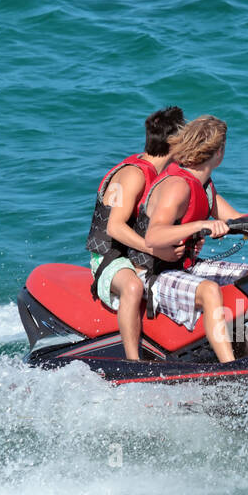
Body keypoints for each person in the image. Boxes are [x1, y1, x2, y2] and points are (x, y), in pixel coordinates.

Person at [138, 115, 248, 363]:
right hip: (151, 273)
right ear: (219, 152)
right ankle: (230, 369)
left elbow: (238, 221)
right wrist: (200, 224)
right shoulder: (178, 186)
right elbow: (153, 236)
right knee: (209, 291)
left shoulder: (204, 186)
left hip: (184, 266)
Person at [84, 106, 185, 360]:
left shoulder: (162, 174)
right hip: (109, 258)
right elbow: (114, 227)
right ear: (173, 142)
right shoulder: (134, 175)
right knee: (131, 287)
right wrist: (155, 248)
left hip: (134, 254)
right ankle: (133, 361)